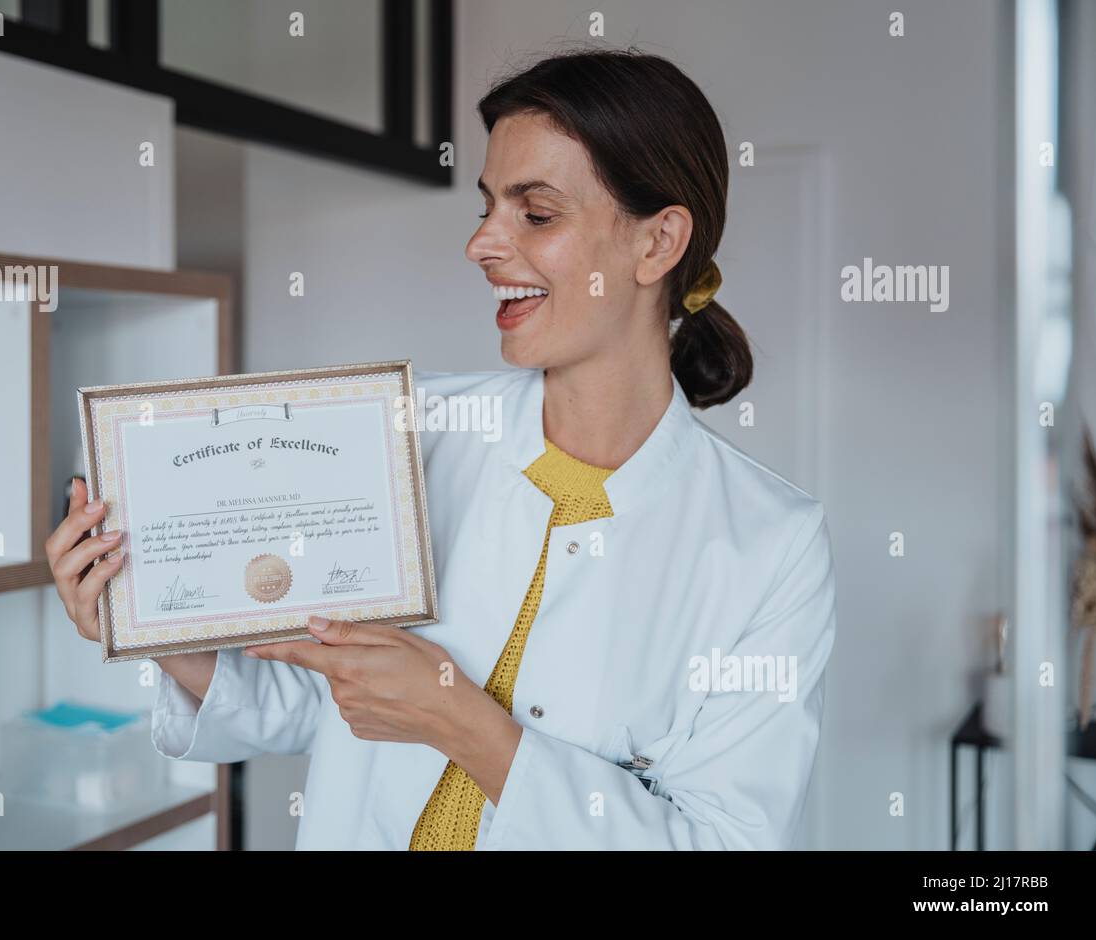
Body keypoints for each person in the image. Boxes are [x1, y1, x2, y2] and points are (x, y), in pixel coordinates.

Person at [45, 48, 837, 850]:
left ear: (659, 242)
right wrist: (158, 625)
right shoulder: (409, 428)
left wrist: (461, 720)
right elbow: (313, 701)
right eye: (486, 207)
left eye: (536, 214)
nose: (483, 245)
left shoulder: (771, 545)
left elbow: (725, 841)